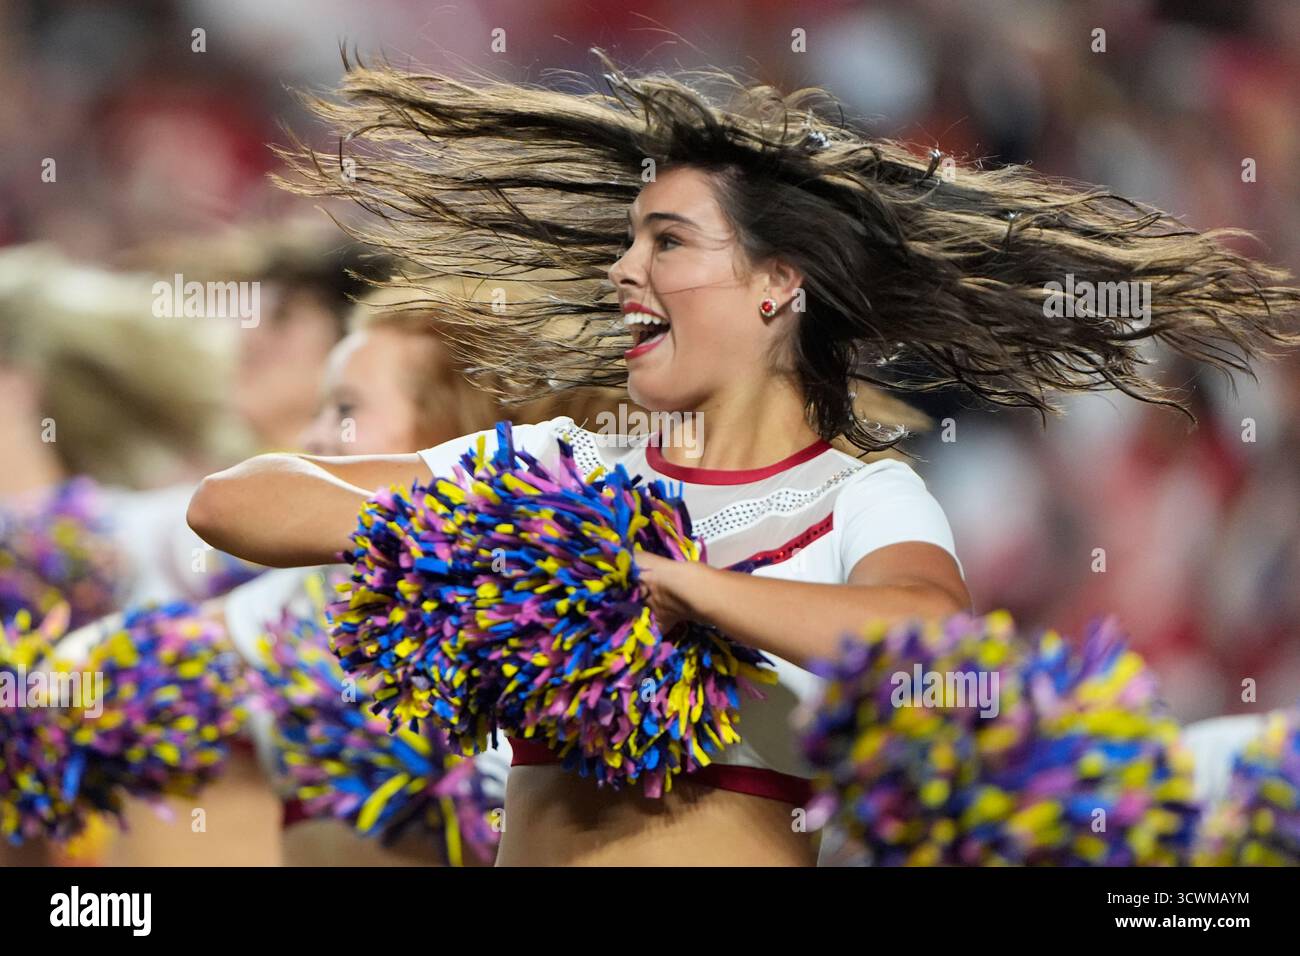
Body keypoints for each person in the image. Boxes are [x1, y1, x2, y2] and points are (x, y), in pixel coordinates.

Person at [187, 51, 1300, 866]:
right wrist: (506, 529)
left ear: (775, 286)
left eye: (665, 241)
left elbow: (923, 636)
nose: (625, 270)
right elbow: (238, 504)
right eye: (628, 239)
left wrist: (677, 582)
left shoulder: (861, 496)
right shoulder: (561, 466)